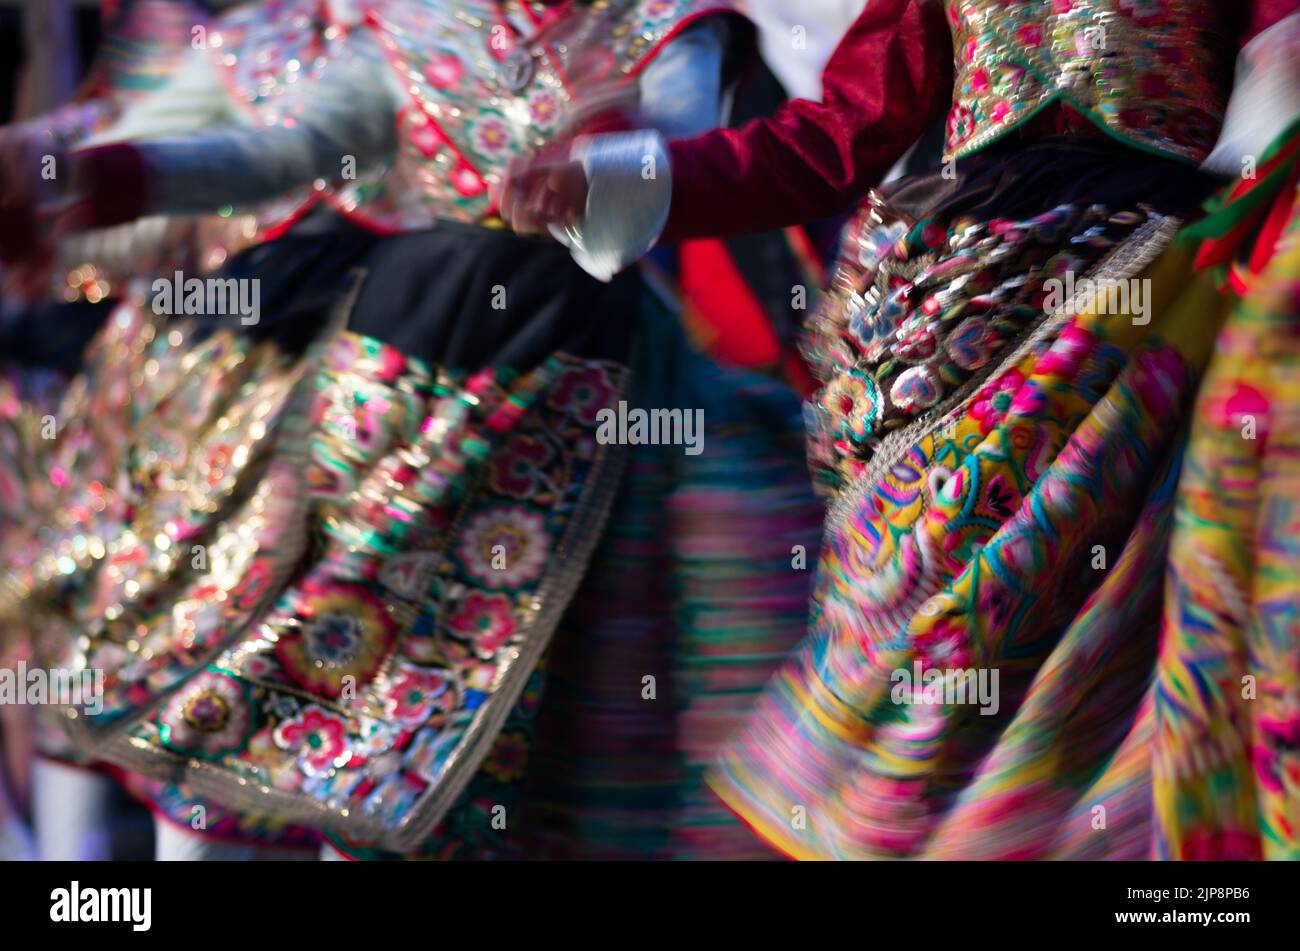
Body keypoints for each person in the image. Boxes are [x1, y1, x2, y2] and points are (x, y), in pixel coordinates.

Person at [502, 0, 1299, 859]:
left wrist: (1243, 202)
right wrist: (620, 178)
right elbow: (830, 139)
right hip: (949, 295)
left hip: (1162, 288)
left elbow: (1280, 76)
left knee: (1109, 609)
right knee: (932, 629)